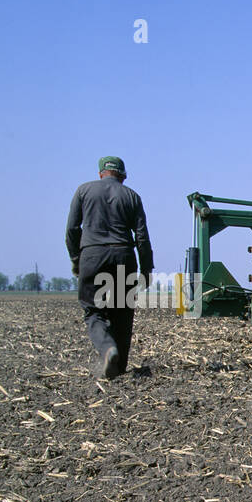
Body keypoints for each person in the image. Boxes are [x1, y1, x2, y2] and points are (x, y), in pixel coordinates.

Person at [65, 156, 153, 379]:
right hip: (124, 254)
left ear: (100, 173)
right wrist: (146, 269)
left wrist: (76, 260)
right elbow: (141, 237)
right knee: (123, 312)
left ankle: (107, 349)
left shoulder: (83, 191)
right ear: (123, 175)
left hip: (92, 256)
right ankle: (119, 367)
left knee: (93, 309)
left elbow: (72, 230)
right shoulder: (132, 196)